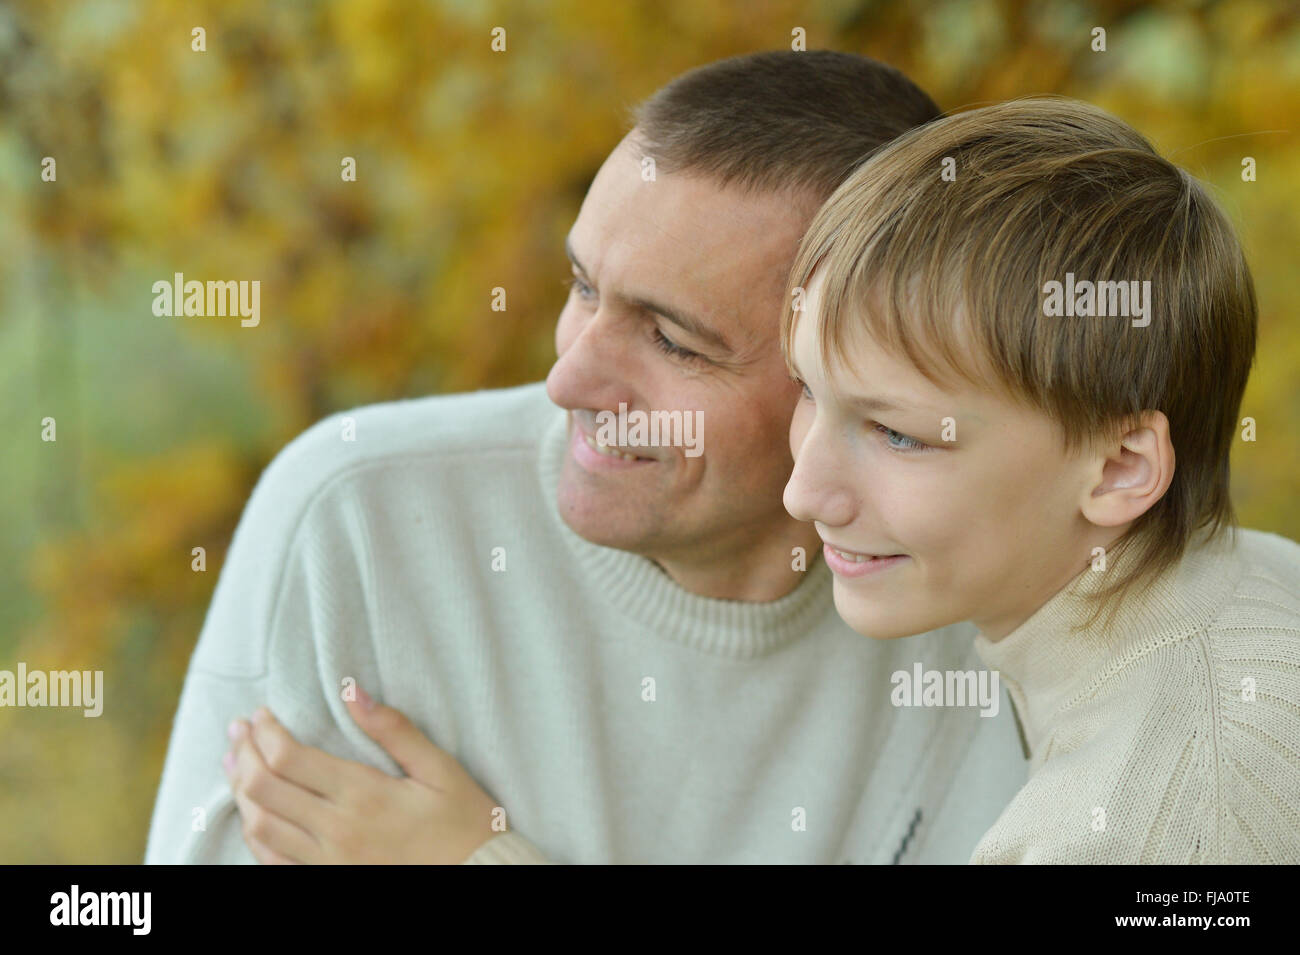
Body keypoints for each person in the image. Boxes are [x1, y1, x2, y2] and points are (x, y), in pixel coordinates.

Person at [145, 50, 1030, 866]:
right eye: (582, 289)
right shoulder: (357, 524)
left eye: (673, 340)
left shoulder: (980, 594)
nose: (568, 378)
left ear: (845, 382)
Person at [779, 97, 1300, 862]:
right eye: (806, 390)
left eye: (899, 433)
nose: (803, 492)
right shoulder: (1257, 576)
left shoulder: (1134, 831)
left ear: (1121, 467)